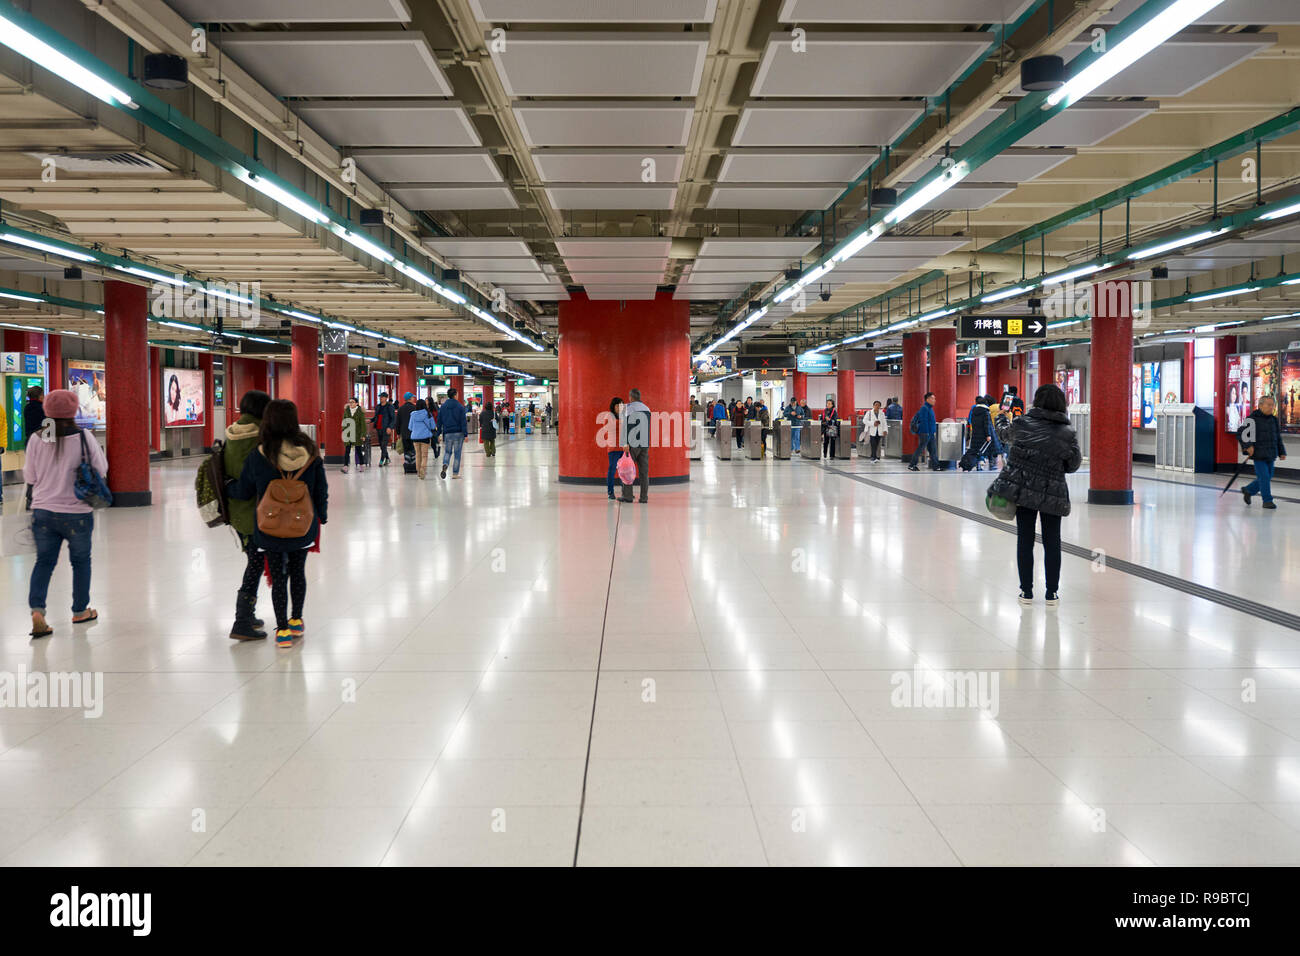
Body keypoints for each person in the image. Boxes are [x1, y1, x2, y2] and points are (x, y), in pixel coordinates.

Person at [226, 399, 328, 648]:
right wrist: (320, 516)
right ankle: (296, 621)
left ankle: (281, 631)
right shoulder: (310, 453)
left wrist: (227, 487)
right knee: (298, 572)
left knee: (278, 578)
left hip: (268, 527)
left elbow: (245, 490)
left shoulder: (260, 454)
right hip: (302, 526)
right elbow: (320, 490)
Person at [23, 389, 106, 639]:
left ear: (47, 410)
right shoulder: (84, 437)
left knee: (44, 562)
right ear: (73, 410)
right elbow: (101, 468)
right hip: (77, 512)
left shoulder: (38, 438)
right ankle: (80, 610)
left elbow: (30, 476)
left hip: (44, 510)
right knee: (80, 562)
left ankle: (38, 610)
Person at [988, 384, 1081, 607]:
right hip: (1054, 493)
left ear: (1037, 401)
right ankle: (1052, 594)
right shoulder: (1067, 433)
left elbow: (1003, 435)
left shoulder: (1022, 425)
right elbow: (1073, 465)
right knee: (1052, 542)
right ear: (1061, 404)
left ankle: (1027, 592)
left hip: (1024, 491)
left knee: (1025, 540)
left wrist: (1001, 417)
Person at [222, 389, 271, 641]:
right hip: (257, 511)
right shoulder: (258, 439)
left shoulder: (232, 434)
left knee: (254, 560)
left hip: (237, 511)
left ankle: (247, 615)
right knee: (255, 564)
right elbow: (256, 480)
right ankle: (242, 620)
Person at [1239, 394, 1287, 510]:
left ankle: (1249, 490)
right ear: (1260, 405)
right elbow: (1241, 433)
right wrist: (1248, 446)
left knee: (1267, 476)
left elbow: (1278, 438)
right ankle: (1267, 501)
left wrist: (1282, 451)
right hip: (1259, 455)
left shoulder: (1274, 420)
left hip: (1271, 453)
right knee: (1264, 477)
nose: (1271, 407)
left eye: (1273, 405)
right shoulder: (1252, 419)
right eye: (1269, 405)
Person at [622, 388, 651, 503]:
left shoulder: (628, 408)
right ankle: (644, 497)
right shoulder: (647, 409)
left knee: (627, 469)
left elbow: (626, 427)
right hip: (644, 444)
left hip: (632, 444)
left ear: (631, 397)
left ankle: (628, 496)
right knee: (644, 472)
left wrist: (625, 443)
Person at [437, 385, 468, 479]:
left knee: (447, 452)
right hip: (458, 433)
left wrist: (438, 433)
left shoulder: (443, 407)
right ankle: (455, 473)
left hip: (447, 433)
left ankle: (445, 464)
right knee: (457, 454)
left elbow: (439, 420)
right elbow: (463, 421)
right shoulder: (460, 406)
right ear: (455, 395)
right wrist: (465, 434)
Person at [908, 392, 940, 471]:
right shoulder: (924, 408)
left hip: (930, 433)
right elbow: (924, 421)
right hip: (925, 433)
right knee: (920, 449)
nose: (934, 400)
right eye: (933, 398)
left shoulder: (930, 408)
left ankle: (936, 466)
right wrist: (927, 432)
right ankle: (912, 465)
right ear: (928, 399)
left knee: (933, 450)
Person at [409, 398, 434, 478]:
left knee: (418, 455)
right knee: (424, 455)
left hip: (415, 438)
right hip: (425, 437)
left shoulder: (413, 414)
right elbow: (433, 426)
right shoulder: (428, 414)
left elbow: (410, 427)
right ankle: (423, 469)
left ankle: (418, 471)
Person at [605, 396, 625, 500]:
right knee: (612, 470)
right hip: (613, 449)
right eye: (618, 405)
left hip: (622, 448)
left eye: (621, 405)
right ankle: (610, 492)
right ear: (613, 406)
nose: (620, 407)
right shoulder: (609, 416)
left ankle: (625, 492)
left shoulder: (623, 417)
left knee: (624, 471)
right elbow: (611, 426)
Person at [342, 397, 367, 473]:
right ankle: (345, 466)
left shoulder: (360, 412)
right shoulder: (347, 411)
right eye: (350, 402)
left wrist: (363, 435)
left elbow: (363, 424)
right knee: (347, 451)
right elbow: (344, 422)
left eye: (352, 402)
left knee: (358, 450)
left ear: (356, 403)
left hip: (357, 434)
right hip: (348, 433)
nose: (351, 404)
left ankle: (362, 465)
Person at [371, 392, 395, 467]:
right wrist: (371, 420)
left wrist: (390, 427)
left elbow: (393, 418)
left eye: (382, 397)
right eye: (380, 397)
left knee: (384, 444)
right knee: (381, 445)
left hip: (386, 428)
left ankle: (382, 460)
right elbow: (376, 417)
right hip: (379, 427)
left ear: (386, 398)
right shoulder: (378, 407)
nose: (380, 398)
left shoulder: (390, 406)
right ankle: (387, 458)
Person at [396, 392, 418, 474]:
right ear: (410, 398)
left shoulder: (401, 409)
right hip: (414, 433)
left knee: (406, 450)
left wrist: (398, 433)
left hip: (404, 433)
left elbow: (398, 422)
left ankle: (407, 467)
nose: (414, 399)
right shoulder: (415, 408)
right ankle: (413, 467)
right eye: (413, 397)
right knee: (413, 450)